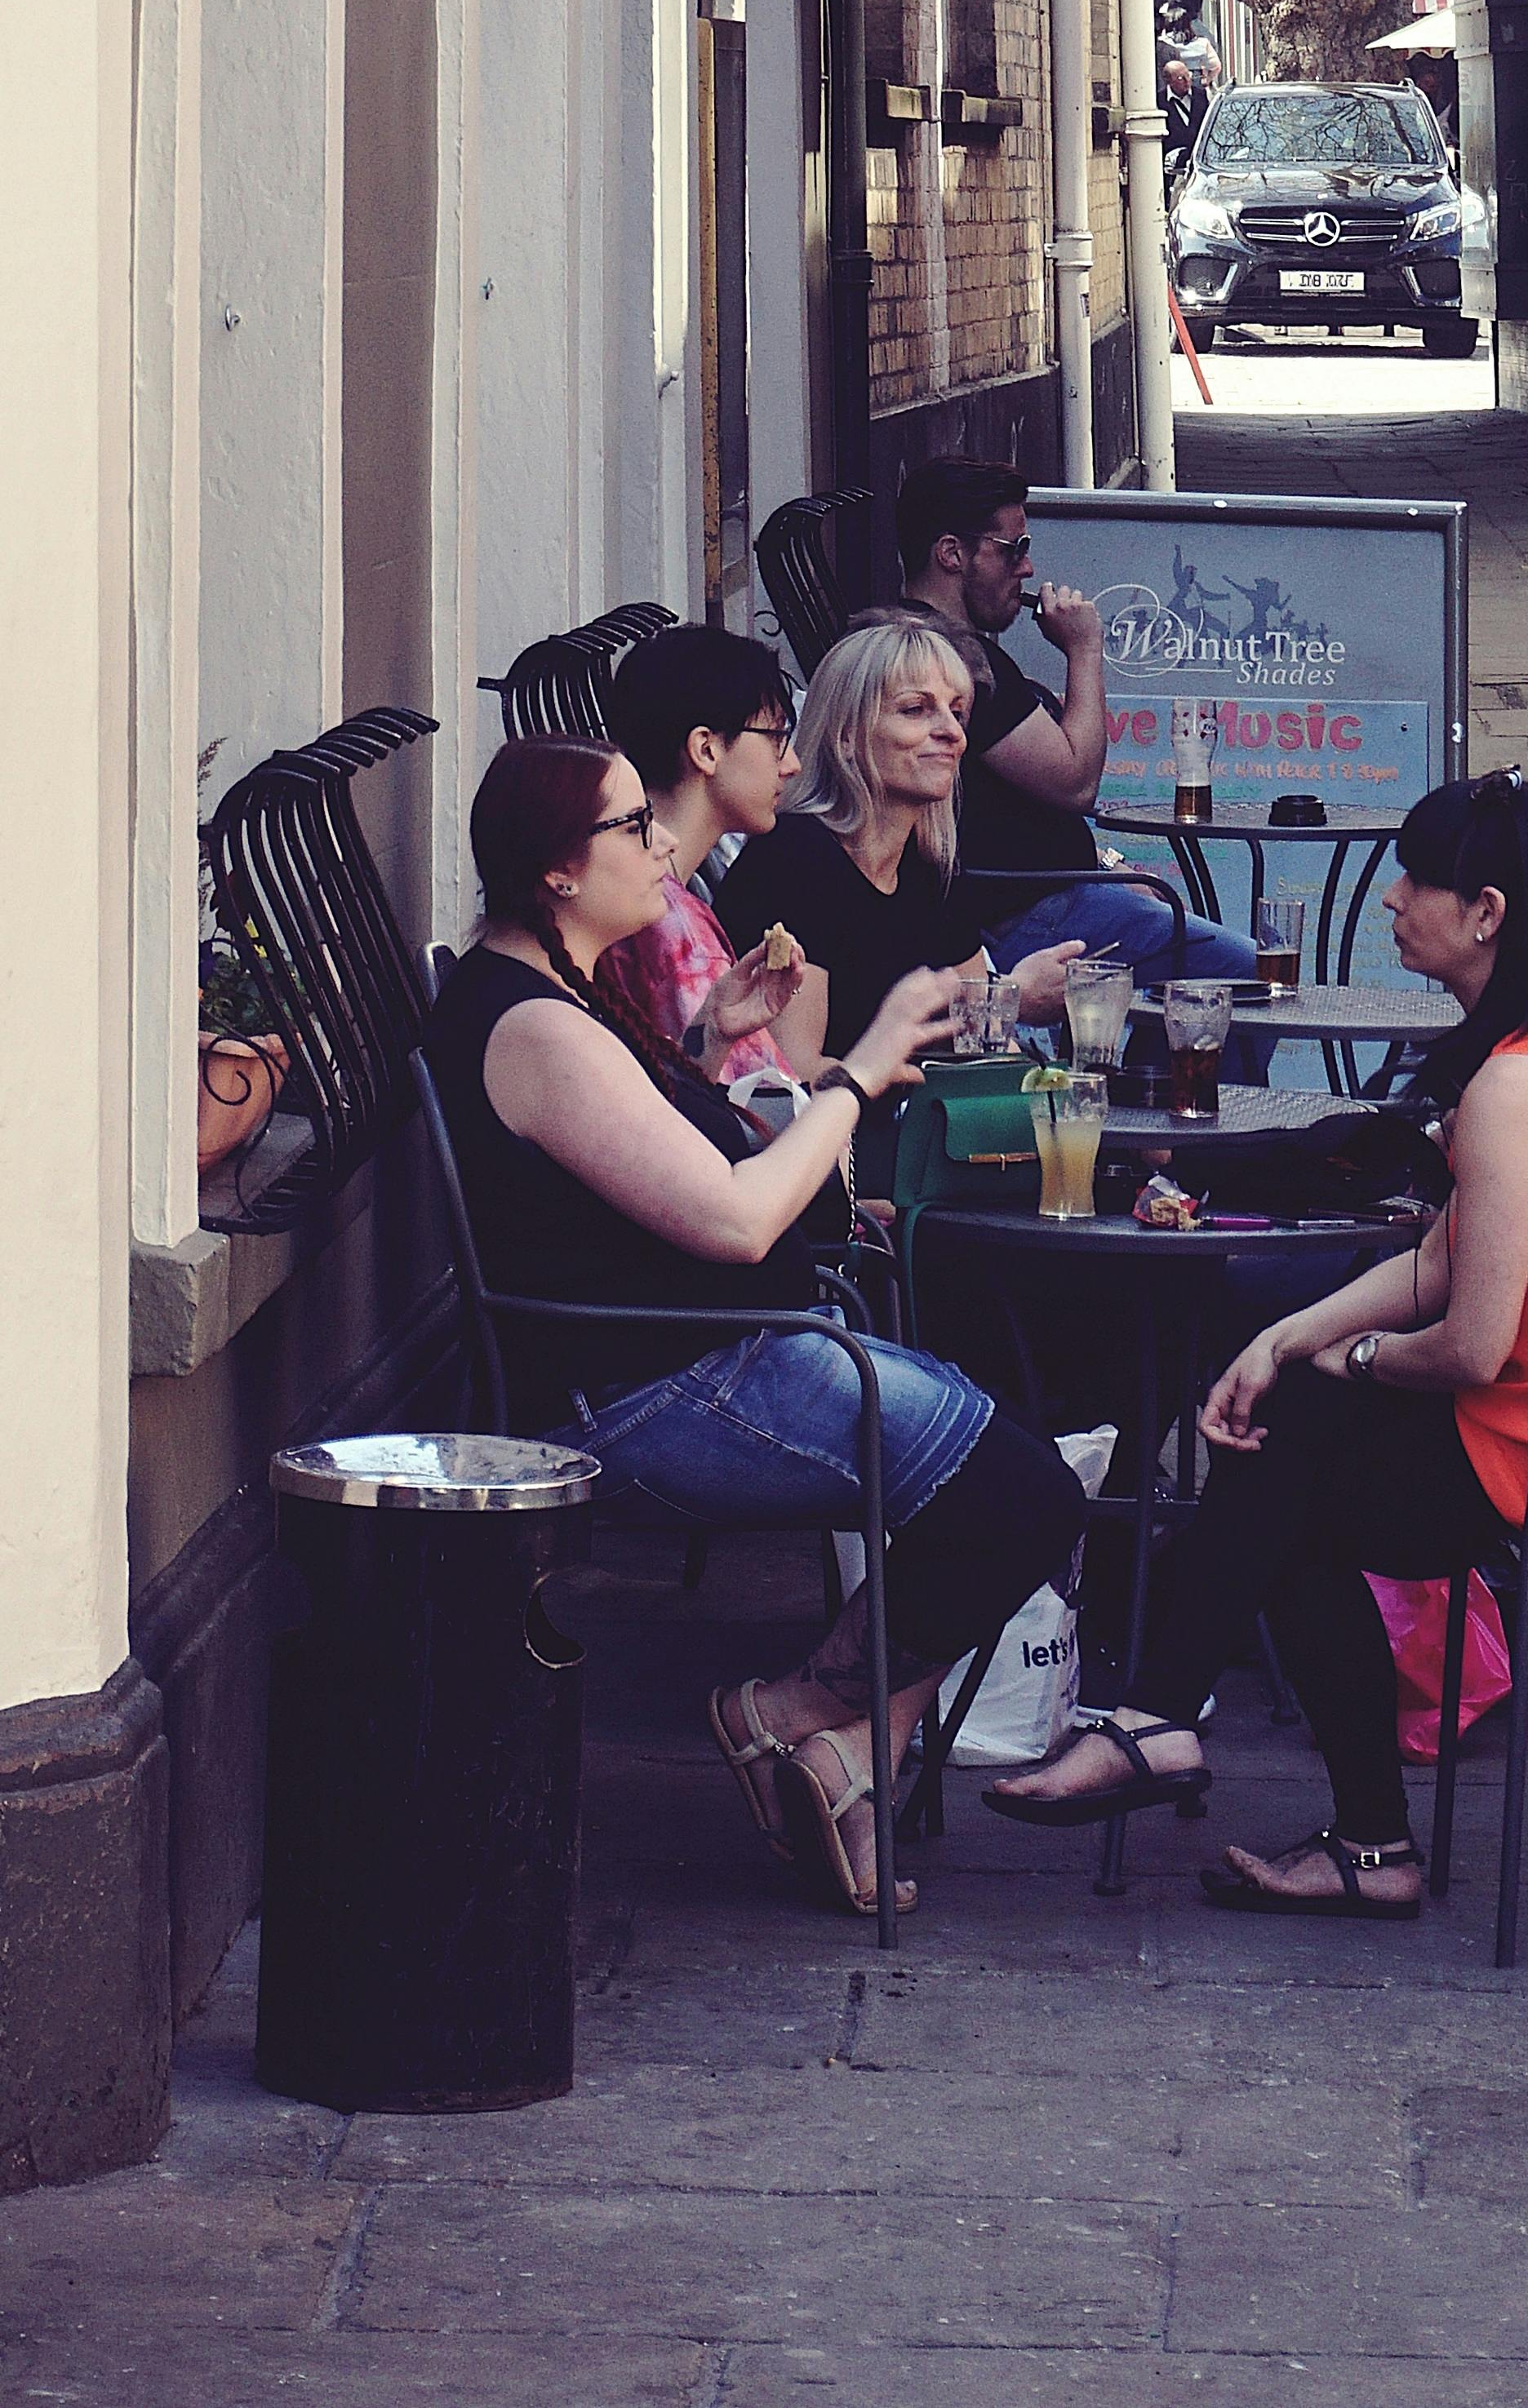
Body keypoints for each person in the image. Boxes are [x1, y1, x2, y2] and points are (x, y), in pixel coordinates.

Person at [980, 774, 1528, 1915]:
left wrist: (1334, 1360)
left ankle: (1198, 1743)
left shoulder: (1519, 1086)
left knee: (1286, 1475)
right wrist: (1286, 1339)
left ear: (1485, 912)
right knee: (1285, 1459)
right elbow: (1439, 1260)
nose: (1391, 899)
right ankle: (1281, 1797)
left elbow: (1470, 1347)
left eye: (1416, 880)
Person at [422, 735, 1087, 1916]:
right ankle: (794, 1718)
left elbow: (604, 1172)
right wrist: (860, 1071)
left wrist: (704, 1039)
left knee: (1010, 1484)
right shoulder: (536, 1027)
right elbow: (735, 1221)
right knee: (1027, 1498)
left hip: (704, 1356)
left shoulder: (558, 990)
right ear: (559, 870)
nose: (663, 845)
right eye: (632, 826)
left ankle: (842, 1747)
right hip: (654, 1394)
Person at [895, 458, 1255, 985]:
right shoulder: (953, 666)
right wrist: (1085, 648)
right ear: (952, 554)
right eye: (1013, 549)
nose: (1027, 568)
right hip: (1020, 916)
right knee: (1250, 972)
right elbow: (1075, 783)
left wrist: (1104, 866)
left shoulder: (932, 648)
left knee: (1201, 943)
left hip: (1053, 892)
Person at [713, 613, 1087, 1071]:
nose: (952, 732)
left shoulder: (927, 867)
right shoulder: (795, 860)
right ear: (846, 736)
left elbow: (983, 1046)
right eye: (915, 710)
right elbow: (793, 1075)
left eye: (957, 712)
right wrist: (1011, 996)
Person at [597, 623, 807, 1105]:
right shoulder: (670, 926)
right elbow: (758, 1111)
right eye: (777, 737)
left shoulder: (629, 892)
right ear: (706, 750)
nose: (791, 763)